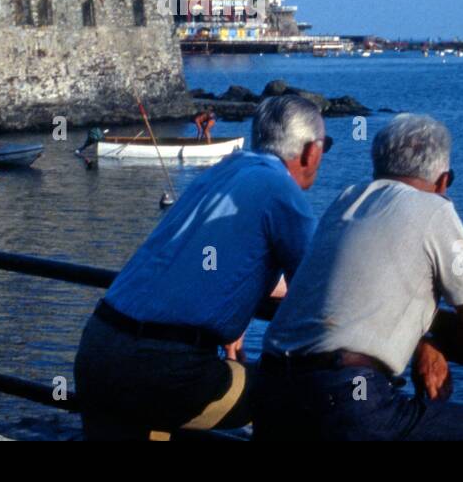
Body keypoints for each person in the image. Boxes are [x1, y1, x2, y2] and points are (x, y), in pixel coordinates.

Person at [254, 113, 463, 441]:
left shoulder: (346, 200)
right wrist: (432, 337)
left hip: (272, 390)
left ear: (378, 167)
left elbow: (352, 305)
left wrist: (423, 338)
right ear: (444, 181)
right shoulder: (435, 209)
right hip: (349, 396)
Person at [73, 95, 327, 440]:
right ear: (312, 151)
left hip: (98, 348)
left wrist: (238, 305)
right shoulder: (283, 192)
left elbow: (218, 261)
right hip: (166, 369)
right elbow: (317, 289)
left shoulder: (218, 173)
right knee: (291, 392)